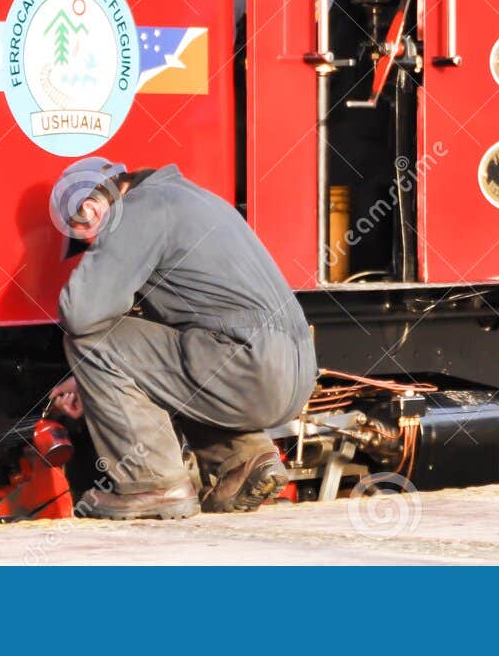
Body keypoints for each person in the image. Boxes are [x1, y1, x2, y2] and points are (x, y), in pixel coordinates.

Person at [47, 157, 316, 520]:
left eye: (88, 237)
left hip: (247, 366)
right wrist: (89, 381)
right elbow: (166, 352)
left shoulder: (137, 211)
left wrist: (90, 360)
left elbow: (81, 314)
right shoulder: (194, 199)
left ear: (91, 208)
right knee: (184, 345)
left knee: (88, 340)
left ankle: (152, 484)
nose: (95, 244)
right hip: (292, 373)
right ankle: (243, 460)